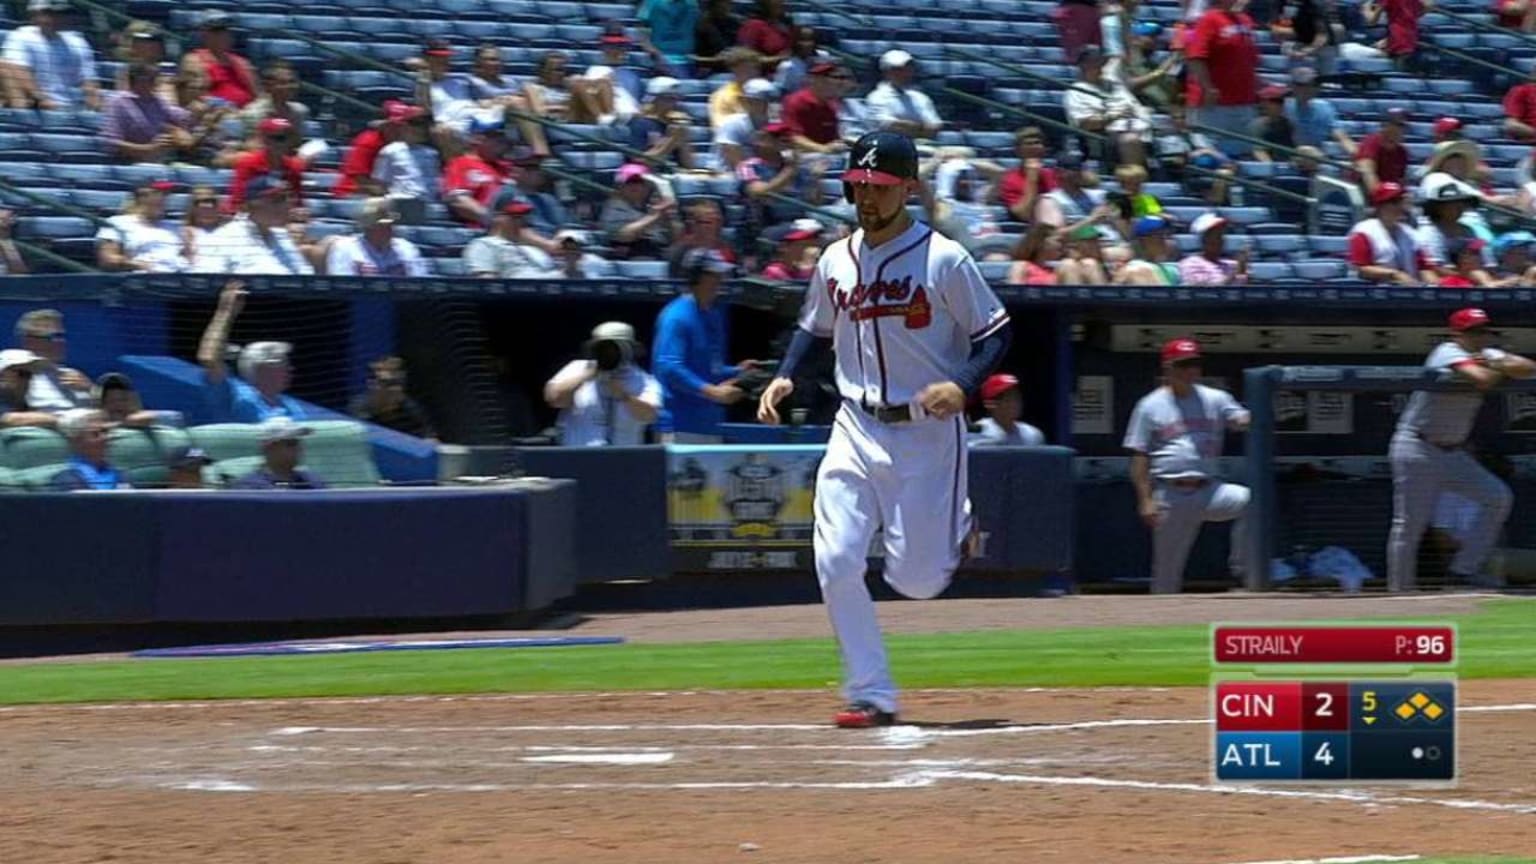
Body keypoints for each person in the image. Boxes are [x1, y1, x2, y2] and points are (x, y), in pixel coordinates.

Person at [756, 131, 1011, 727]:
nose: (867, 197)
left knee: (917, 582)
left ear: (910, 189)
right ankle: (871, 691)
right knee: (836, 558)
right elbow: (815, 327)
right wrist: (785, 376)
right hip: (855, 424)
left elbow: (996, 334)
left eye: (880, 186)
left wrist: (965, 384)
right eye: (858, 186)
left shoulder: (944, 257)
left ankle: (956, 522)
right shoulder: (834, 258)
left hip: (927, 432)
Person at [1388, 308, 1534, 591]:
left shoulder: (1488, 353)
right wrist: (1498, 365)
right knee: (1409, 524)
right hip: (1418, 446)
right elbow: (1482, 379)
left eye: (1484, 330)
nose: (1481, 335)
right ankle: (1400, 591)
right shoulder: (1446, 351)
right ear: (1457, 333)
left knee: (1498, 497)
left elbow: (1528, 367)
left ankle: (1462, 571)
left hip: (1453, 453)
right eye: (1474, 331)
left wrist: (1495, 360)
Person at [1124, 337, 1251, 594]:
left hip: (1210, 490)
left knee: (1254, 501)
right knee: (1166, 576)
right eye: (1183, 365)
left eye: (1195, 364)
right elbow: (1139, 456)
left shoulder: (1215, 398)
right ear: (1168, 368)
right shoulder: (1150, 405)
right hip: (1170, 493)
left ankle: (1242, 568)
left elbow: (1240, 419)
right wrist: (1145, 500)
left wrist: (1245, 418)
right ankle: (1161, 623)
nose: (1191, 370)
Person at [654, 248, 756, 443]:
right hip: (679, 425)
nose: (720, 279)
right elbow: (669, 366)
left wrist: (737, 371)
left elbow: (709, 368)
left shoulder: (711, 314)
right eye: (714, 274)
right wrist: (713, 392)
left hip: (709, 423)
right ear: (698, 277)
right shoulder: (677, 315)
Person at [197, 281, 307, 423]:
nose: (290, 369)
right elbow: (209, 359)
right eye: (282, 363)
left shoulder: (290, 405)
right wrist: (225, 312)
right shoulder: (236, 394)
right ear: (261, 368)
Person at [544, 322, 663, 446]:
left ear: (629, 350)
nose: (608, 353)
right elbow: (554, 400)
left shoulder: (644, 380)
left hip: (623, 459)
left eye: (614, 349)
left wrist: (624, 396)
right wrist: (585, 376)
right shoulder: (577, 368)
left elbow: (649, 416)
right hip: (578, 457)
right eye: (603, 349)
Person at [1185, 0, 1260, 158]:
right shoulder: (1209, 19)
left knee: (1242, 154)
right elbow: (1196, 58)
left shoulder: (1246, 21)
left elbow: (1250, 60)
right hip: (1213, 103)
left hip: (1243, 100)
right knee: (1210, 156)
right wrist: (1207, 88)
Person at [197, 175, 314, 275]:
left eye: (287, 199)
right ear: (250, 205)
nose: (287, 205)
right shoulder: (223, 239)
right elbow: (204, 284)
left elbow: (305, 276)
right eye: (277, 200)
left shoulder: (283, 237)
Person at [1, 0, 100, 111]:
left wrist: (94, 101)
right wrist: (43, 99)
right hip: (40, 107)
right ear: (34, 15)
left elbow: (89, 80)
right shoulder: (21, 36)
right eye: (50, 13)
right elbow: (19, 71)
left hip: (73, 106)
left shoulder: (77, 42)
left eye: (62, 13)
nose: (56, 18)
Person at [1064, 45, 1150, 167]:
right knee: (1130, 140)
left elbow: (1123, 56)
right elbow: (1084, 124)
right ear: (1083, 65)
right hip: (1106, 137)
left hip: (1138, 127)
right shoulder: (1075, 92)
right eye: (1095, 61)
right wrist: (1113, 116)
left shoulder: (1112, 82)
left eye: (1102, 61)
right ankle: (1134, 177)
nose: (1101, 65)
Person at [103, 63, 191, 164]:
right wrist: (148, 149)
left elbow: (183, 117)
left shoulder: (157, 101)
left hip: (158, 161)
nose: (155, 83)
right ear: (137, 80)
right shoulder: (118, 101)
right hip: (126, 164)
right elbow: (111, 143)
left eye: (155, 79)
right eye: (151, 79)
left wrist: (177, 130)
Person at [737, 123, 822, 227]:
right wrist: (790, 170)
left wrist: (816, 179)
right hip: (768, 223)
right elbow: (759, 193)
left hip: (802, 220)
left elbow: (814, 203)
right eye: (777, 139)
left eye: (787, 141)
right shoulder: (749, 166)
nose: (783, 145)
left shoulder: (801, 170)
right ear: (764, 141)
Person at [96, 181, 191, 273]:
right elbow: (108, 259)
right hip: (144, 277)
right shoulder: (118, 222)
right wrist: (137, 264)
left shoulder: (174, 227)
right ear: (142, 196)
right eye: (159, 194)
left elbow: (187, 255)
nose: (164, 199)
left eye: (166, 195)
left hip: (181, 276)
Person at [325, 198, 430, 277]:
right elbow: (341, 284)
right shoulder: (345, 247)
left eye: (390, 225)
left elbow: (421, 282)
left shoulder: (406, 248)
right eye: (381, 226)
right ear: (367, 227)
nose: (388, 229)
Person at [1346, 182, 1426, 285]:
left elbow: (1424, 268)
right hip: (1376, 293)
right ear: (1380, 206)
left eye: (1401, 201)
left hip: (1412, 292)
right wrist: (1394, 274)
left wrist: (1437, 287)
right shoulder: (1363, 231)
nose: (1400, 206)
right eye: (1394, 202)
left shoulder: (1411, 234)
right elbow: (1360, 269)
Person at [442, 114, 514, 227]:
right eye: (496, 137)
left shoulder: (506, 167)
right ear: (477, 139)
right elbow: (459, 201)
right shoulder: (460, 163)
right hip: (487, 231)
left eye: (504, 137)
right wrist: (492, 219)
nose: (503, 142)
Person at [463, 196, 559, 278]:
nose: (520, 221)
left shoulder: (531, 249)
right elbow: (487, 285)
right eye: (515, 216)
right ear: (497, 217)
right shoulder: (484, 245)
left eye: (523, 217)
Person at [179, 10, 258, 110]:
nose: (222, 34)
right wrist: (223, 106)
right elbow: (192, 98)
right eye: (216, 30)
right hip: (213, 117)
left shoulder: (242, 63)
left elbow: (257, 94)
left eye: (224, 29)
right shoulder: (194, 60)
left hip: (246, 116)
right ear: (204, 34)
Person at [225, 117, 305, 213]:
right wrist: (274, 192)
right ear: (264, 139)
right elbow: (239, 200)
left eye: (289, 138)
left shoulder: (294, 166)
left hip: (281, 218)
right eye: (279, 138)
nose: (285, 143)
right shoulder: (247, 164)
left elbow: (297, 203)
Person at [600, 162, 679, 260]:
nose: (635, 186)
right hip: (629, 256)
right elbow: (624, 236)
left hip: (659, 253)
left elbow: (676, 238)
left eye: (640, 182)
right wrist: (656, 215)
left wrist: (670, 218)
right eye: (630, 182)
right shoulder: (614, 206)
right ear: (620, 186)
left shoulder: (654, 205)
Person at [15, 309, 89, 410]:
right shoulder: (12, 374)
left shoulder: (73, 375)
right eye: (54, 336)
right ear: (29, 341)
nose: (61, 342)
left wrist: (90, 389)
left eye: (62, 336)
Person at [371, 107, 441, 213]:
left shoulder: (432, 154)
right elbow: (381, 184)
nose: (422, 129)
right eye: (417, 124)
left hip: (429, 205)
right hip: (402, 203)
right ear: (404, 125)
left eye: (425, 125)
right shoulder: (391, 150)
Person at [349, 356, 434, 438]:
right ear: (372, 384)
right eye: (388, 383)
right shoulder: (358, 410)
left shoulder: (411, 411)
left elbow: (429, 440)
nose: (396, 389)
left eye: (399, 383)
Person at [231, 416, 327, 490]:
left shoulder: (314, 483)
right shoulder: (248, 488)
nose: (299, 448)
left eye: (299, 442)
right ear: (270, 448)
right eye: (292, 443)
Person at [867, 50, 943, 141]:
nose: (905, 73)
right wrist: (922, 129)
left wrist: (911, 128)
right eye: (898, 69)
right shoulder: (876, 97)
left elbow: (935, 127)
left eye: (908, 69)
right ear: (886, 72)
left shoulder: (921, 97)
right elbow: (890, 126)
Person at [629, 76, 697, 171]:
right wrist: (671, 141)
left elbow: (689, 165)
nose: (674, 104)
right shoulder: (640, 124)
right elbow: (640, 161)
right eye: (669, 99)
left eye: (676, 99)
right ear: (654, 99)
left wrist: (683, 140)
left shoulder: (675, 125)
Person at [50, 409, 128, 491]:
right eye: (95, 434)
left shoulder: (121, 475)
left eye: (107, 432)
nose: (106, 438)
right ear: (76, 441)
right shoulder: (66, 477)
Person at [782, 62, 847, 157]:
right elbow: (793, 137)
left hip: (828, 157)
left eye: (841, 78)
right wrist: (822, 149)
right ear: (815, 80)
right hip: (803, 157)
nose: (839, 83)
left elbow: (833, 137)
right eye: (833, 78)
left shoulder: (831, 104)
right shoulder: (797, 101)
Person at [996, 127, 1059, 223]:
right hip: (1036, 231)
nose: (1034, 147)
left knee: (1089, 229)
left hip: (1068, 229)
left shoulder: (1057, 175)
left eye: (1037, 143)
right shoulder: (1009, 180)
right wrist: (1032, 180)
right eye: (1029, 144)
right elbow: (1025, 215)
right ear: (1018, 150)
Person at [1286, 66, 1354, 155]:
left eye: (1313, 85)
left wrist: (1358, 156)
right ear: (1292, 86)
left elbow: (1341, 137)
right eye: (1302, 85)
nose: (1308, 89)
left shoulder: (1324, 108)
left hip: (1316, 158)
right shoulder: (1283, 106)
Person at [714, 77, 777, 170]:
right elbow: (737, 165)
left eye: (770, 101)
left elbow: (777, 162)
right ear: (745, 102)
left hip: (766, 176)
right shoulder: (732, 124)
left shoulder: (777, 125)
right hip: (730, 177)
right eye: (759, 101)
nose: (766, 105)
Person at [240, 60, 310, 139]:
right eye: (283, 83)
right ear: (268, 86)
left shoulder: (299, 112)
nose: (290, 86)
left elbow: (296, 143)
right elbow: (252, 146)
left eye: (292, 82)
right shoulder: (254, 114)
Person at [971, 374, 1045, 447]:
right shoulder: (979, 433)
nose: (1015, 403)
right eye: (1008, 399)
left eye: (1016, 397)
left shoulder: (1032, 434)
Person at [1178, 212, 1248, 285]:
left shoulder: (1231, 264)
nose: (1220, 240)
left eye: (1221, 235)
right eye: (1215, 236)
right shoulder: (1191, 263)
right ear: (1203, 240)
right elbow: (1204, 291)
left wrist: (1243, 271)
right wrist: (1234, 273)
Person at [636, 0, 699, 76]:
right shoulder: (652, 2)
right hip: (663, 59)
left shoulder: (692, 3)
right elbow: (642, 30)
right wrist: (654, 53)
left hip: (692, 61)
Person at [1355, 109, 1409, 198]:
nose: (1401, 130)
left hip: (1388, 198)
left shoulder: (1402, 152)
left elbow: (1401, 182)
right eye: (1397, 125)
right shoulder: (1371, 143)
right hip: (1364, 197)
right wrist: (1383, 199)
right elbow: (1367, 173)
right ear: (1385, 125)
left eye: (1403, 126)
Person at [0, 348, 59, 427]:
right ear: (2, 375)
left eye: (29, 375)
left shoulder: (26, 406)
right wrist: (61, 421)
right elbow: (7, 420)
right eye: (22, 373)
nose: (27, 381)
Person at [708, 47, 762, 129]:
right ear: (735, 70)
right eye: (746, 68)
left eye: (755, 68)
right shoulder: (722, 96)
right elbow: (719, 125)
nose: (753, 72)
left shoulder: (766, 92)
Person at [1116, 215, 1181, 285]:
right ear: (1144, 241)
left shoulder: (1171, 270)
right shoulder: (1133, 270)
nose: (1165, 241)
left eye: (1168, 235)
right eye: (1160, 236)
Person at [737, 0, 794, 72]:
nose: (781, 2)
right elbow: (745, 59)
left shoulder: (783, 25)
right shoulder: (753, 25)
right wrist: (778, 59)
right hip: (760, 78)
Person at [694, 0, 743, 76]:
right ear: (713, 6)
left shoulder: (736, 23)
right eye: (722, 4)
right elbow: (696, 57)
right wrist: (714, 60)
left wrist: (734, 53)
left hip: (734, 65)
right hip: (711, 69)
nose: (726, 7)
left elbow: (742, 47)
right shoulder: (702, 25)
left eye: (728, 4)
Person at [1248, 84, 1296, 162]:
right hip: (1264, 168)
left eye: (1282, 101)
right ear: (1265, 104)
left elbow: (1296, 149)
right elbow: (1258, 151)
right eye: (1277, 101)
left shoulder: (1288, 124)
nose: (1282, 105)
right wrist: (1272, 167)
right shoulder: (1257, 126)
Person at [181, 185, 225, 265]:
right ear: (193, 208)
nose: (207, 208)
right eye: (199, 203)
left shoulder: (229, 231)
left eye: (211, 202)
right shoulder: (183, 234)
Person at [94, 372, 158, 427]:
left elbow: (148, 418)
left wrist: (116, 425)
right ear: (101, 403)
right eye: (111, 401)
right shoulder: (92, 421)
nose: (118, 404)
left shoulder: (142, 417)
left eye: (123, 400)